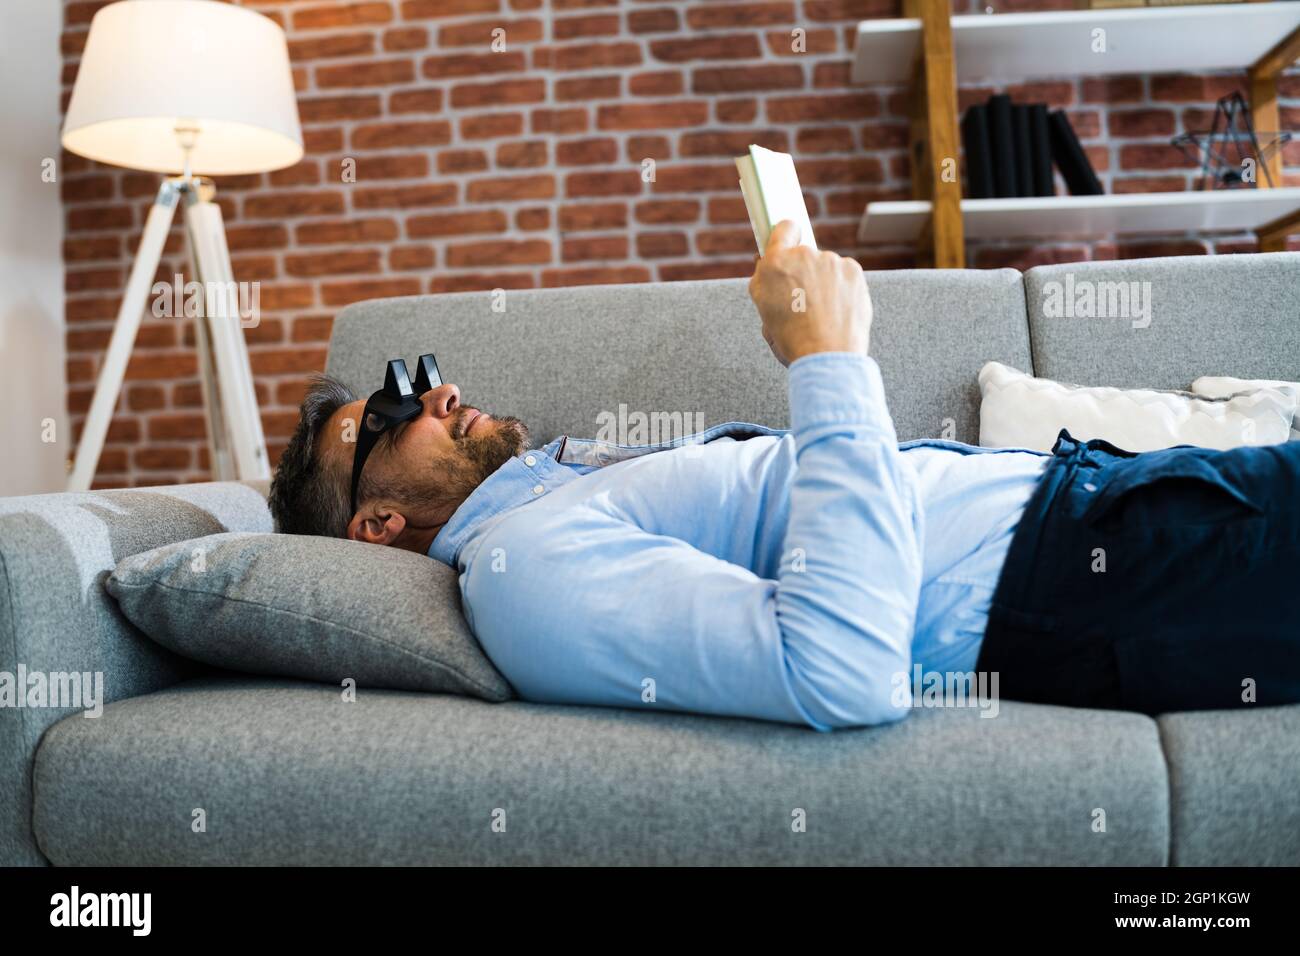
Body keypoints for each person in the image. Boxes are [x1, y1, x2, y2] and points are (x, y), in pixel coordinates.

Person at [269, 221, 1300, 730]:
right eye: (390, 410)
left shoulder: (555, 491)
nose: (435, 391)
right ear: (378, 522)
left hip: (1111, 502)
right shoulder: (522, 571)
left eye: (423, 374)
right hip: (1083, 573)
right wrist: (827, 362)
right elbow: (838, 668)